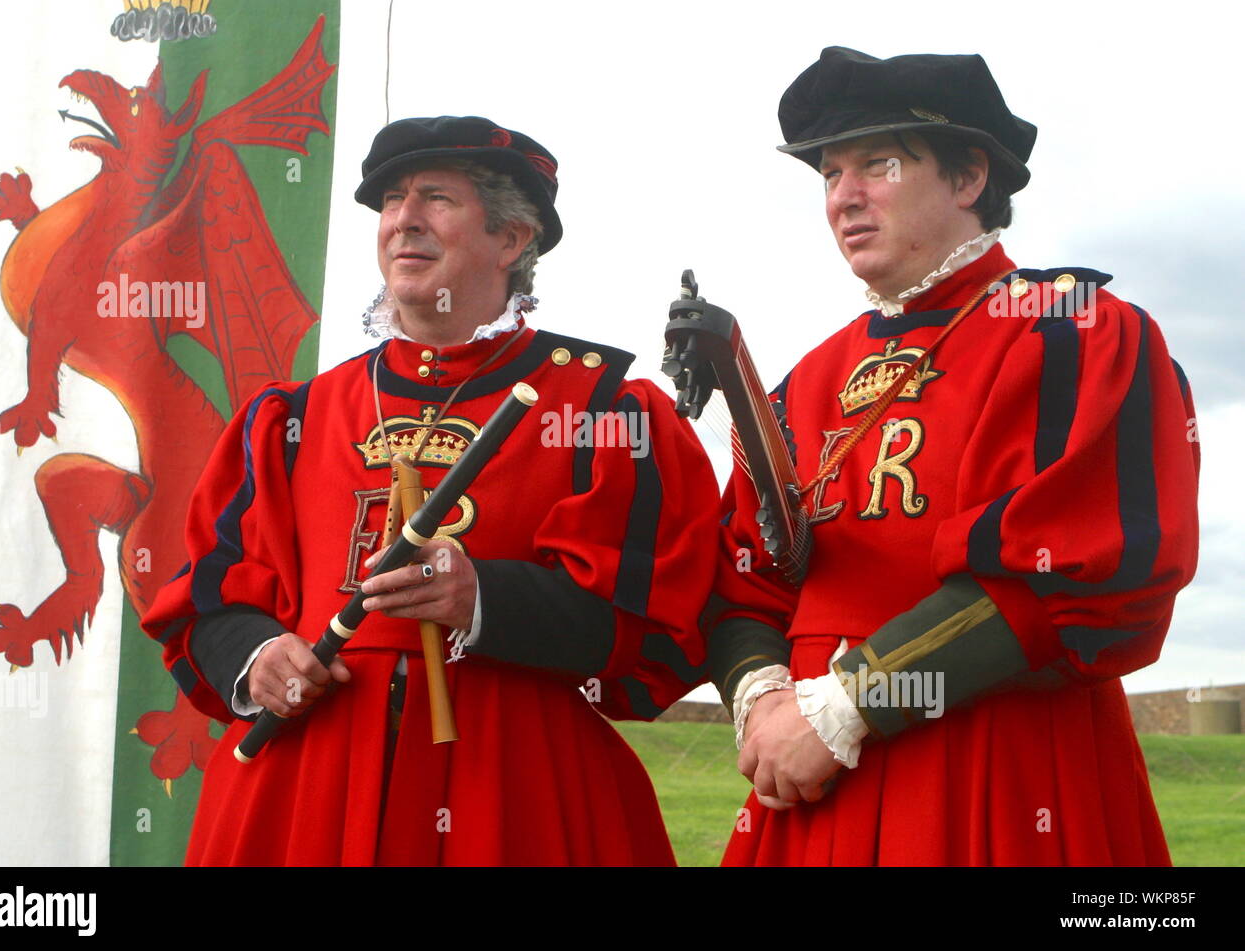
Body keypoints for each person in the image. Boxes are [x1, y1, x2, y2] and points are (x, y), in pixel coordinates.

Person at [142, 115, 719, 865]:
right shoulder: (291, 418)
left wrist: (483, 598)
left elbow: (657, 625)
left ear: (512, 239)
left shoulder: (603, 408)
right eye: (392, 201)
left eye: (436, 198)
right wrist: (259, 658)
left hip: (511, 799)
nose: (404, 219)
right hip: (303, 796)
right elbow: (206, 597)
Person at [707, 48, 1200, 865]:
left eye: (878, 164)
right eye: (830, 174)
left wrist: (847, 709)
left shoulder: (1074, 331)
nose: (844, 196)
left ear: (969, 177)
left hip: (995, 770)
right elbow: (741, 577)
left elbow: (1075, 575)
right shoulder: (800, 383)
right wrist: (763, 704)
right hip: (807, 782)